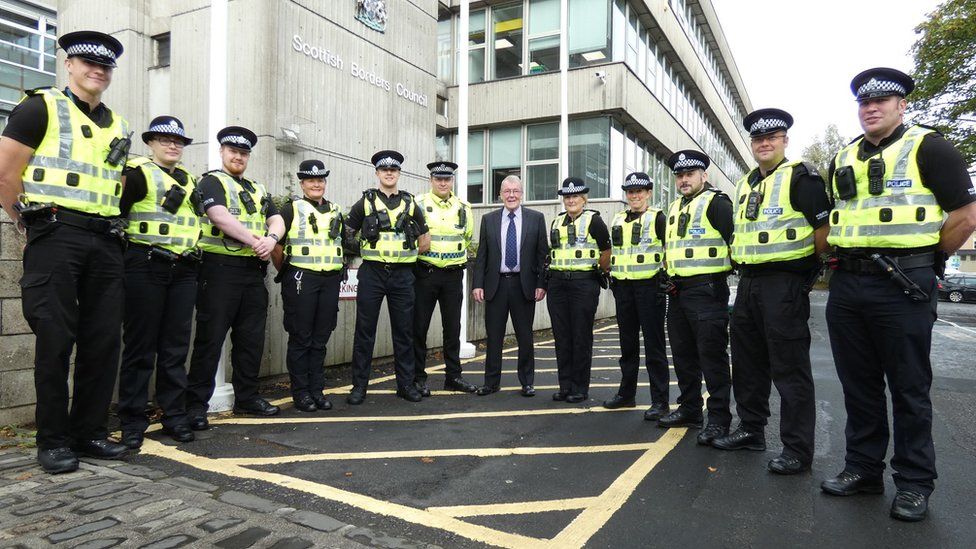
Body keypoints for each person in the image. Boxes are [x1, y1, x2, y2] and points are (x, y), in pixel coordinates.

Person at [820, 68, 976, 522]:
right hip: (848, 283)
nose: (871, 108)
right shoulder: (843, 155)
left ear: (902, 105)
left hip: (903, 283)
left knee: (909, 388)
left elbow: (965, 216)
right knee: (859, 384)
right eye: (864, 103)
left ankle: (913, 483)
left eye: (882, 101)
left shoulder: (930, 146)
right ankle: (863, 469)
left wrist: (926, 259)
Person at [0, 30, 131, 473]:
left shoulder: (119, 124)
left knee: (103, 342)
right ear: (69, 65)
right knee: (55, 340)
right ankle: (53, 441)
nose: (98, 70)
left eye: (106, 65)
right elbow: (5, 173)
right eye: (88, 62)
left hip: (106, 241)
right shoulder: (40, 107)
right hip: (56, 235)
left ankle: (89, 432)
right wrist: (25, 222)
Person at [711, 108, 831, 474]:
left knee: (789, 369)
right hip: (747, 284)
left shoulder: (802, 178)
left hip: (784, 284)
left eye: (772, 138)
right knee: (747, 363)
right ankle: (751, 430)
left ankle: (797, 450)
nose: (764, 143)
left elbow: (824, 232)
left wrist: (804, 274)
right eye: (758, 139)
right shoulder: (745, 182)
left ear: (784, 142)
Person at [185, 126, 284, 429]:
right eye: (233, 151)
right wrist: (256, 242)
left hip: (253, 273)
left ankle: (247, 397)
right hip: (219, 271)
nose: (239, 156)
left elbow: (276, 218)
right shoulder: (212, 181)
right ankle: (195, 407)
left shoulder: (257, 188)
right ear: (223, 152)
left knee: (250, 341)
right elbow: (218, 216)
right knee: (210, 340)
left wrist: (271, 238)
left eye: (244, 153)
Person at [117, 116, 201, 448]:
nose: (172, 145)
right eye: (165, 140)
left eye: (178, 141)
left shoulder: (189, 180)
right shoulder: (137, 174)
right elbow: (116, 213)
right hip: (145, 265)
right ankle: (132, 420)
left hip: (183, 270)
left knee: (175, 348)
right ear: (151, 143)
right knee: (140, 347)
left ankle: (174, 415)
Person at [656, 150, 734, 447]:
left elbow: (736, 243)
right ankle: (690, 409)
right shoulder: (675, 207)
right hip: (678, 292)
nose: (684, 179)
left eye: (689, 174)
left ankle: (718, 420)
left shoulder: (717, 203)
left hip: (707, 291)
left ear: (704, 175)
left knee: (712, 357)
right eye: (679, 175)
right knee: (684, 356)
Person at [344, 150, 431, 405]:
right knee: (364, 331)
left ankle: (405, 385)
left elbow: (425, 240)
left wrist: (407, 253)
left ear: (399, 173)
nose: (389, 173)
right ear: (377, 173)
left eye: (393, 170)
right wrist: (367, 247)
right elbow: (348, 235)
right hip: (372, 273)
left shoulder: (411, 203)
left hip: (403, 275)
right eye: (384, 170)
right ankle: (359, 387)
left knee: (404, 332)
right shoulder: (365, 203)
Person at [271, 159, 344, 412]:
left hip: (330, 280)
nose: (316, 184)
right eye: (311, 180)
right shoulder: (291, 209)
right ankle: (300, 393)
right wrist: (289, 273)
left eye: (320, 180)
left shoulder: (336, 210)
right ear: (302, 183)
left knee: (320, 339)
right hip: (301, 279)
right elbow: (277, 247)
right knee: (301, 337)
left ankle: (317, 390)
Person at [471, 175, 548, 396]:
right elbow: (482, 256)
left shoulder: (536, 219)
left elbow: (542, 255)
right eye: (507, 191)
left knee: (525, 337)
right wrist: (477, 284)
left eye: (515, 191)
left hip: (524, 286)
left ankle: (527, 382)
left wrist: (542, 283)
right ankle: (491, 383)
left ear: (522, 193)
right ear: (500, 194)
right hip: (496, 285)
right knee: (493, 337)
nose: (511, 195)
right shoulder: (489, 220)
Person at [603, 172, 670, 421]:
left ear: (649, 193)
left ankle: (660, 401)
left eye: (640, 191)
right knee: (627, 345)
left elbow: (669, 249)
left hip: (650, 288)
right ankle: (626, 394)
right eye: (631, 192)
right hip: (624, 289)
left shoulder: (658, 218)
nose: (635, 195)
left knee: (654, 347)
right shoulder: (618, 219)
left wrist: (666, 278)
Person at [412, 161, 478, 396]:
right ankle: (418, 378)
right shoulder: (418, 204)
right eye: (438, 178)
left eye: (447, 179)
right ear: (431, 180)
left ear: (452, 181)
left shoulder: (464, 207)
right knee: (418, 327)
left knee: (453, 329)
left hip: (453, 275)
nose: (443, 183)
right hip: (425, 273)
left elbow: (467, 238)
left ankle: (454, 377)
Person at [547, 177, 611, 403]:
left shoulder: (594, 221)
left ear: (584, 199)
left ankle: (579, 388)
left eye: (575, 196)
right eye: (567, 197)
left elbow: (606, 251)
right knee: (562, 336)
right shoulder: (556, 222)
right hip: (557, 284)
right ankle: (565, 386)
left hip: (584, 283)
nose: (571, 200)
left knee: (581, 336)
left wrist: (598, 272)